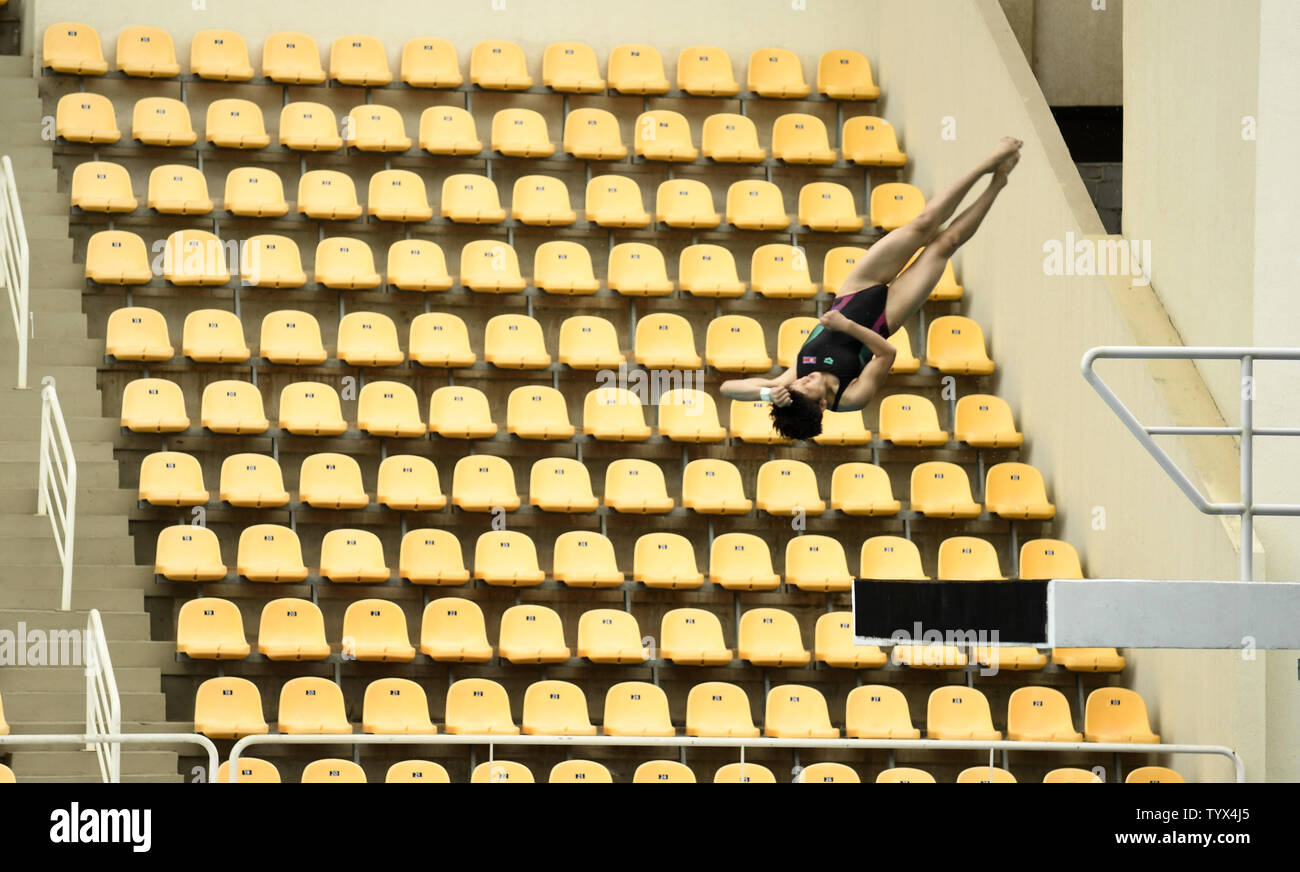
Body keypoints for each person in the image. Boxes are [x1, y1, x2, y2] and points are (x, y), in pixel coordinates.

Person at [719, 137, 1023, 441]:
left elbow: (727, 388)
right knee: (944, 245)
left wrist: (767, 393)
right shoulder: (850, 398)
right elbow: (886, 354)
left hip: (855, 290)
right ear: (823, 404)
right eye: (806, 387)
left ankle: (990, 162)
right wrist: (846, 325)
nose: (802, 380)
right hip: (885, 318)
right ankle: (998, 182)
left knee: (923, 223)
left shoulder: (791, 381)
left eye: (796, 385)